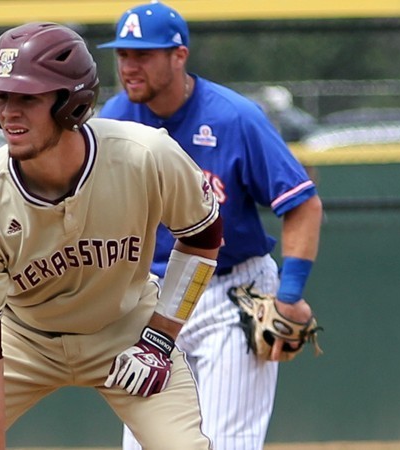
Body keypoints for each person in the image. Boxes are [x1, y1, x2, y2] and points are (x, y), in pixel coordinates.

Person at [0, 21, 222, 450]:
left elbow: (203, 237)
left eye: (27, 97)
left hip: (124, 328)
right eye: (1, 96)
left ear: (72, 103)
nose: (8, 111)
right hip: (21, 340)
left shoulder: (146, 156)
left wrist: (161, 337)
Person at [96, 3, 324, 449]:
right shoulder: (114, 119)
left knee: (227, 442)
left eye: (143, 55)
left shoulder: (235, 118)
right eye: (123, 55)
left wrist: (290, 295)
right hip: (153, 301)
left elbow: (302, 204)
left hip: (229, 291)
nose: (129, 66)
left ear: (179, 56)